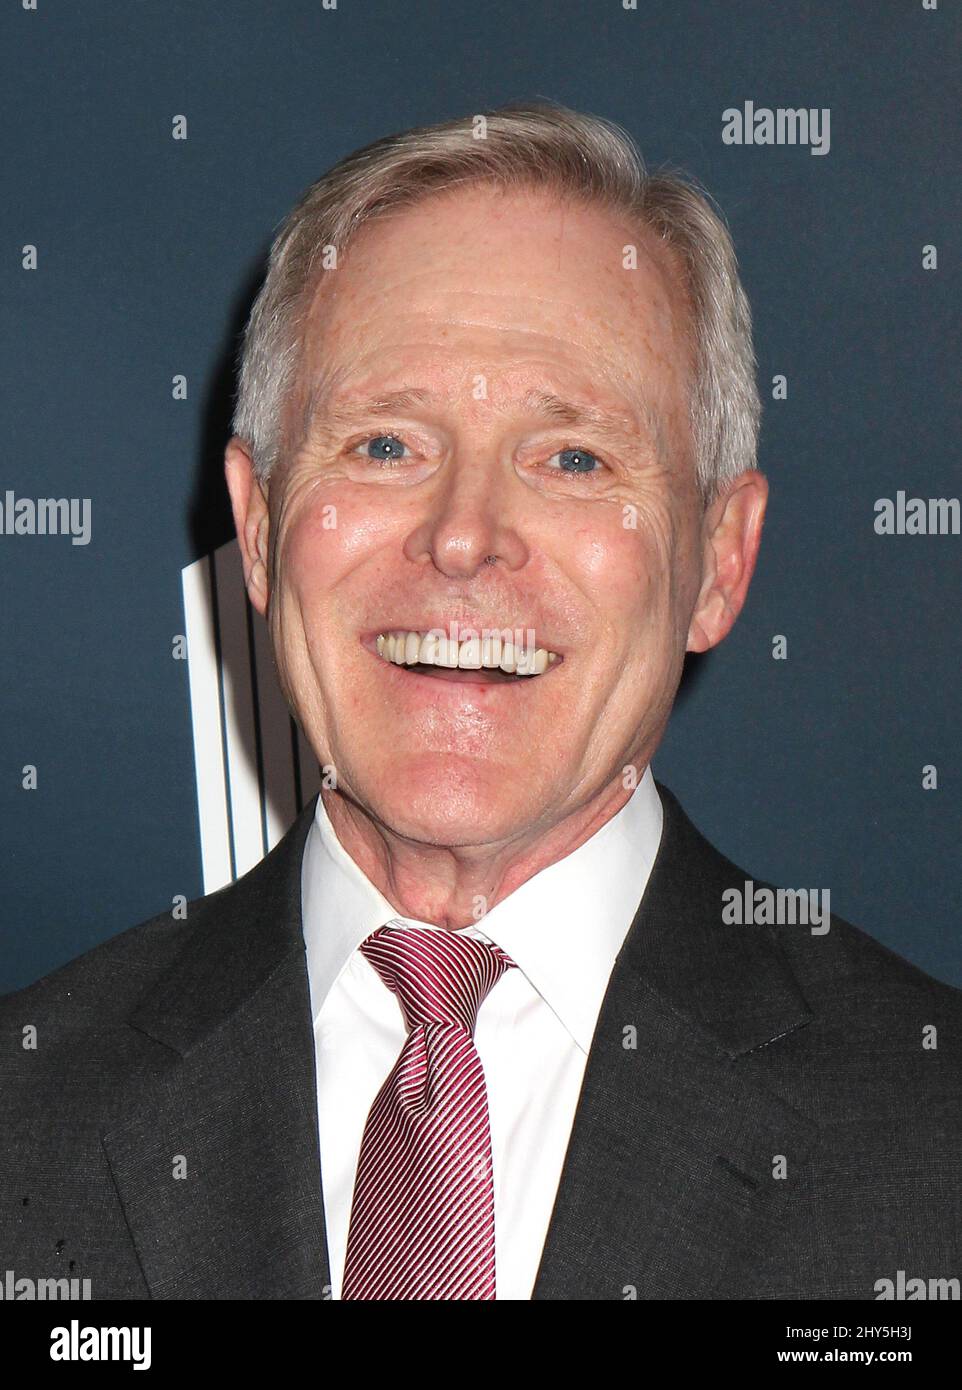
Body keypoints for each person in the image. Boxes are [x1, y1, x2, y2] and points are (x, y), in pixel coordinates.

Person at [2, 101, 959, 1301]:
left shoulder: (930, 1145)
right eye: (385, 445)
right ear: (257, 526)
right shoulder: (26, 1113)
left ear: (718, 560)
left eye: (572, 458)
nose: (462, 536)